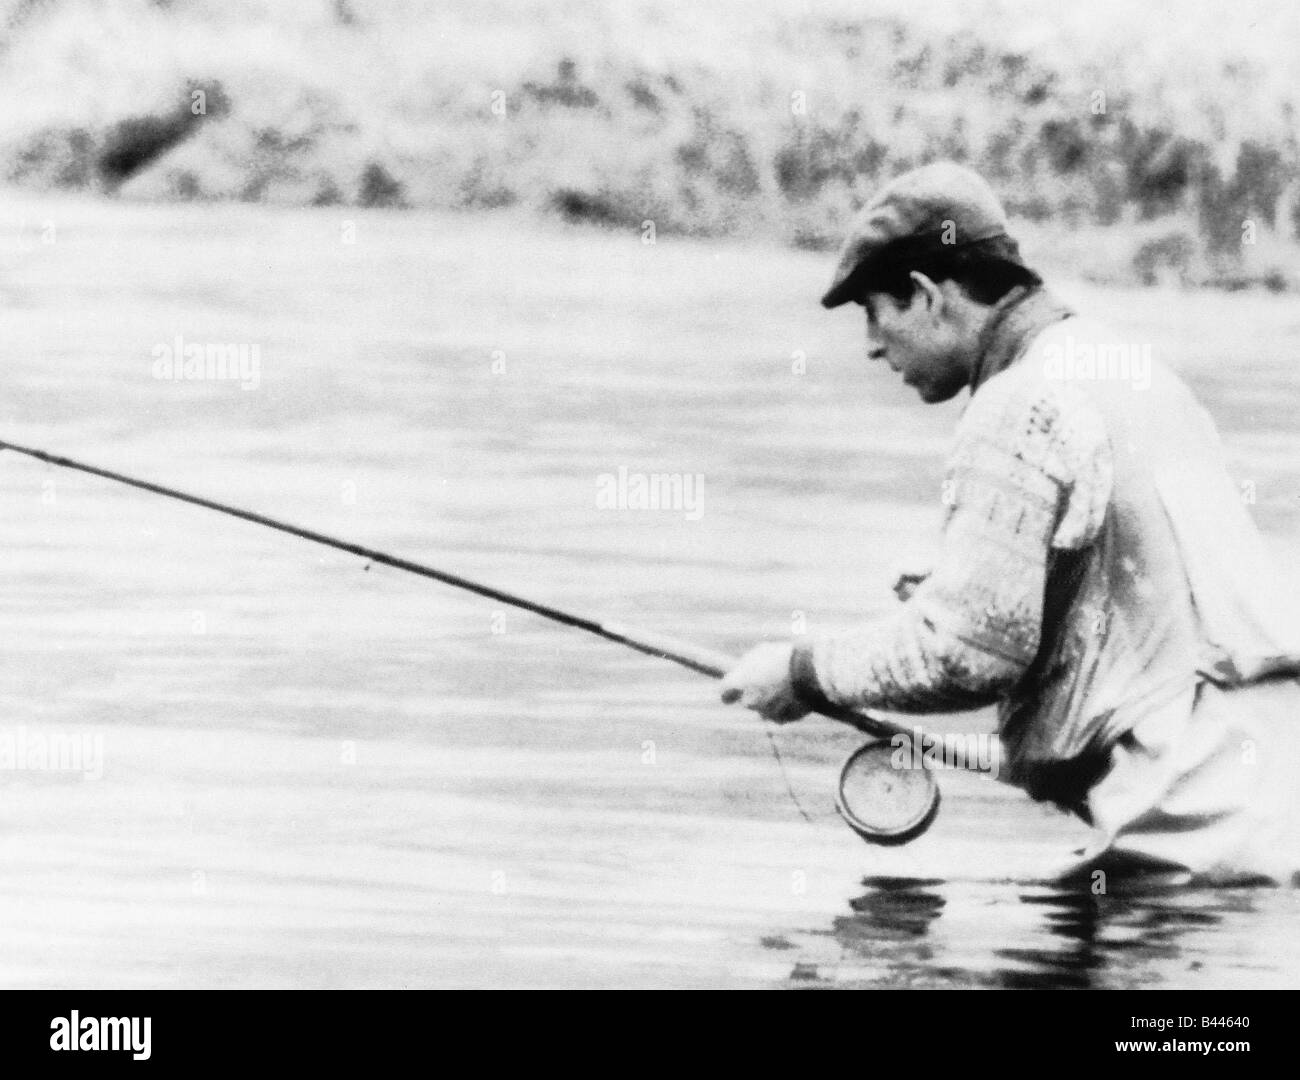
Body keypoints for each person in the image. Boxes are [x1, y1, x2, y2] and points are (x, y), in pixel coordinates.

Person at [720, 161, 1300, 885]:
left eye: (875, 312)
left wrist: (801, 673)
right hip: (1274, 811)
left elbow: (966, 655)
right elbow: (1155, 613)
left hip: (1194, 839)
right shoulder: (1125, 366)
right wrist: (1006, 582)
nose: (871, 344)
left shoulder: (1019, 402)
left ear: (928, 296)